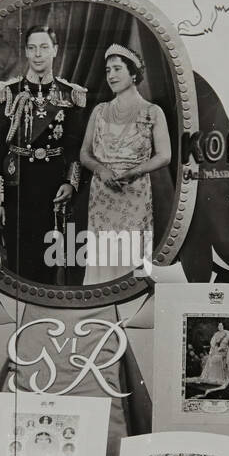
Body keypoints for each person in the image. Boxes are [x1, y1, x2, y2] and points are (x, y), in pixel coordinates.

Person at [0, 26, 87, 284]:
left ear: (55, 50)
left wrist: (70, 182)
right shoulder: (8, 92)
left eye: (43, 47)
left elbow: (75, 146)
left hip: (53, 187)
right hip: (17, 186)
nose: (37, 54)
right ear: (26, 52)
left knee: (50, 259)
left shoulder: (69, 94)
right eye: (32, 48)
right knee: (19, 259)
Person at [79, 44, 172, 285]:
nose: (111, 75)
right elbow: (84, 154)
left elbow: (165, 155)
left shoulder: (152, 112)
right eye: (108, 70)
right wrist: (101, 169)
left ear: (133, 73)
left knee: (132, 254)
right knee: (102, 255)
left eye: (117, 69)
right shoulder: (99, 112)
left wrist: (135, 171)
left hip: (135, 193)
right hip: (102, 195)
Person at [198, 322, 229, 388]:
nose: (220, 327)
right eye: (219, 325)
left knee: (217, 358)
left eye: (221, 325)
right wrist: (211, 351)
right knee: (210, 358)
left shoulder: (228, 333)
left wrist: (227, 348)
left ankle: (222, 378)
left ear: (223, 326)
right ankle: (212, 377)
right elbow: (213, 345)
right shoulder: (216, 334)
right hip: (217, 351)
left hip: (225, 352)